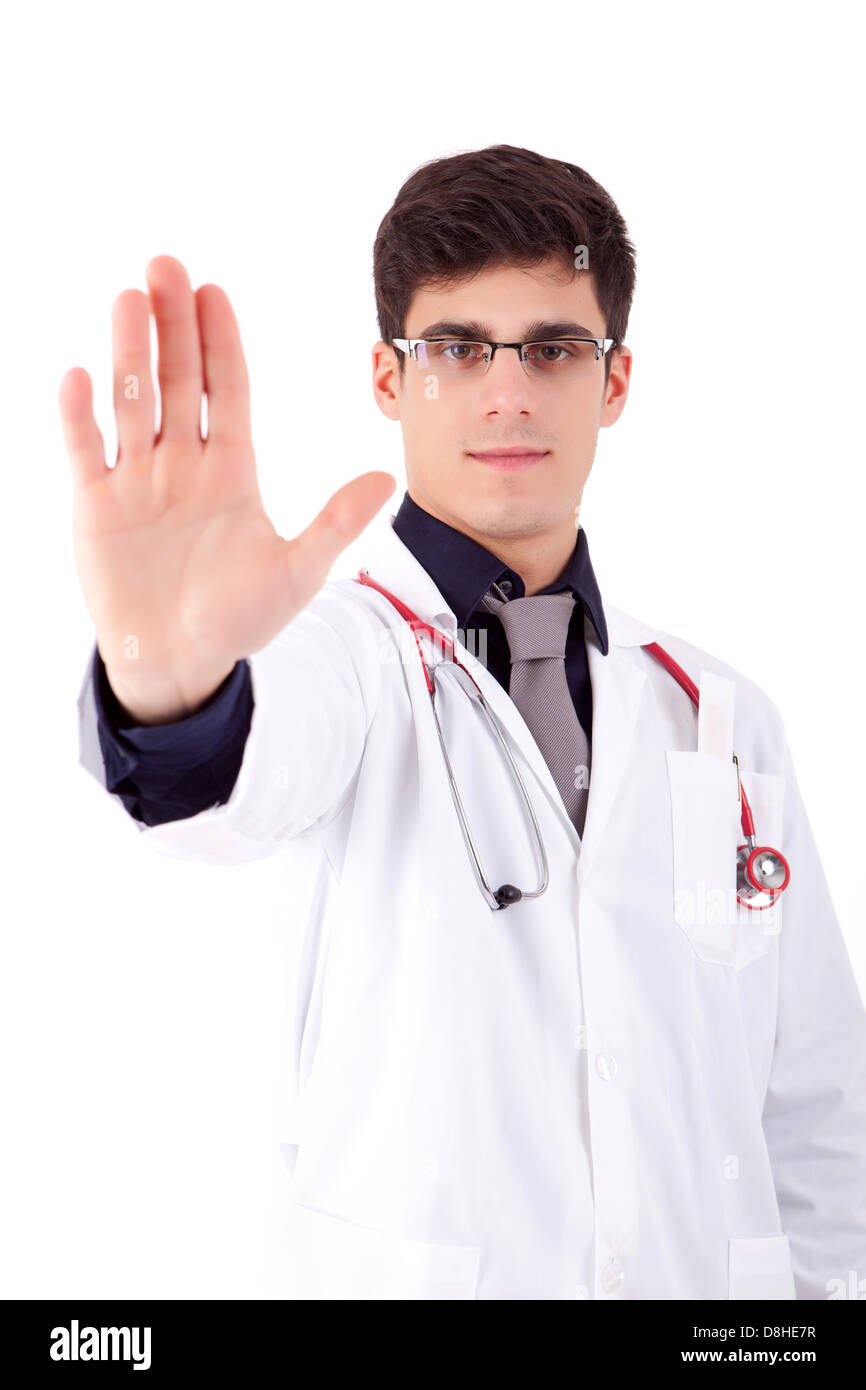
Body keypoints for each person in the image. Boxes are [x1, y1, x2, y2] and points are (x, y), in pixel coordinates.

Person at [62, 144, 866, 1301]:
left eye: (551, 349)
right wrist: (170, 675)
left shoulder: (718, 715)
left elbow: (816, 1101)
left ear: (616, 381)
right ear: (389, 380)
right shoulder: (332, 660)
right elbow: (228, 774)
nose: (506, 392)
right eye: (454, 349)